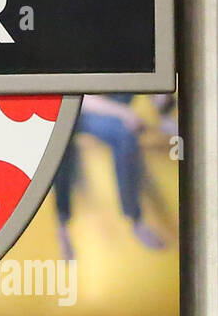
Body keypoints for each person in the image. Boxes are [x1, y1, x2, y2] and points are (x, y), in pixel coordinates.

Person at [50, 94, 169, 260]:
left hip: (110, 114)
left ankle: (135, 219)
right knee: (61, 138)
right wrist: (124, 112)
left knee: (126, 134)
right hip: (76, 111)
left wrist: (163, 106)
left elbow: (157, 96)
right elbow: (82, 99)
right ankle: (62, 224)